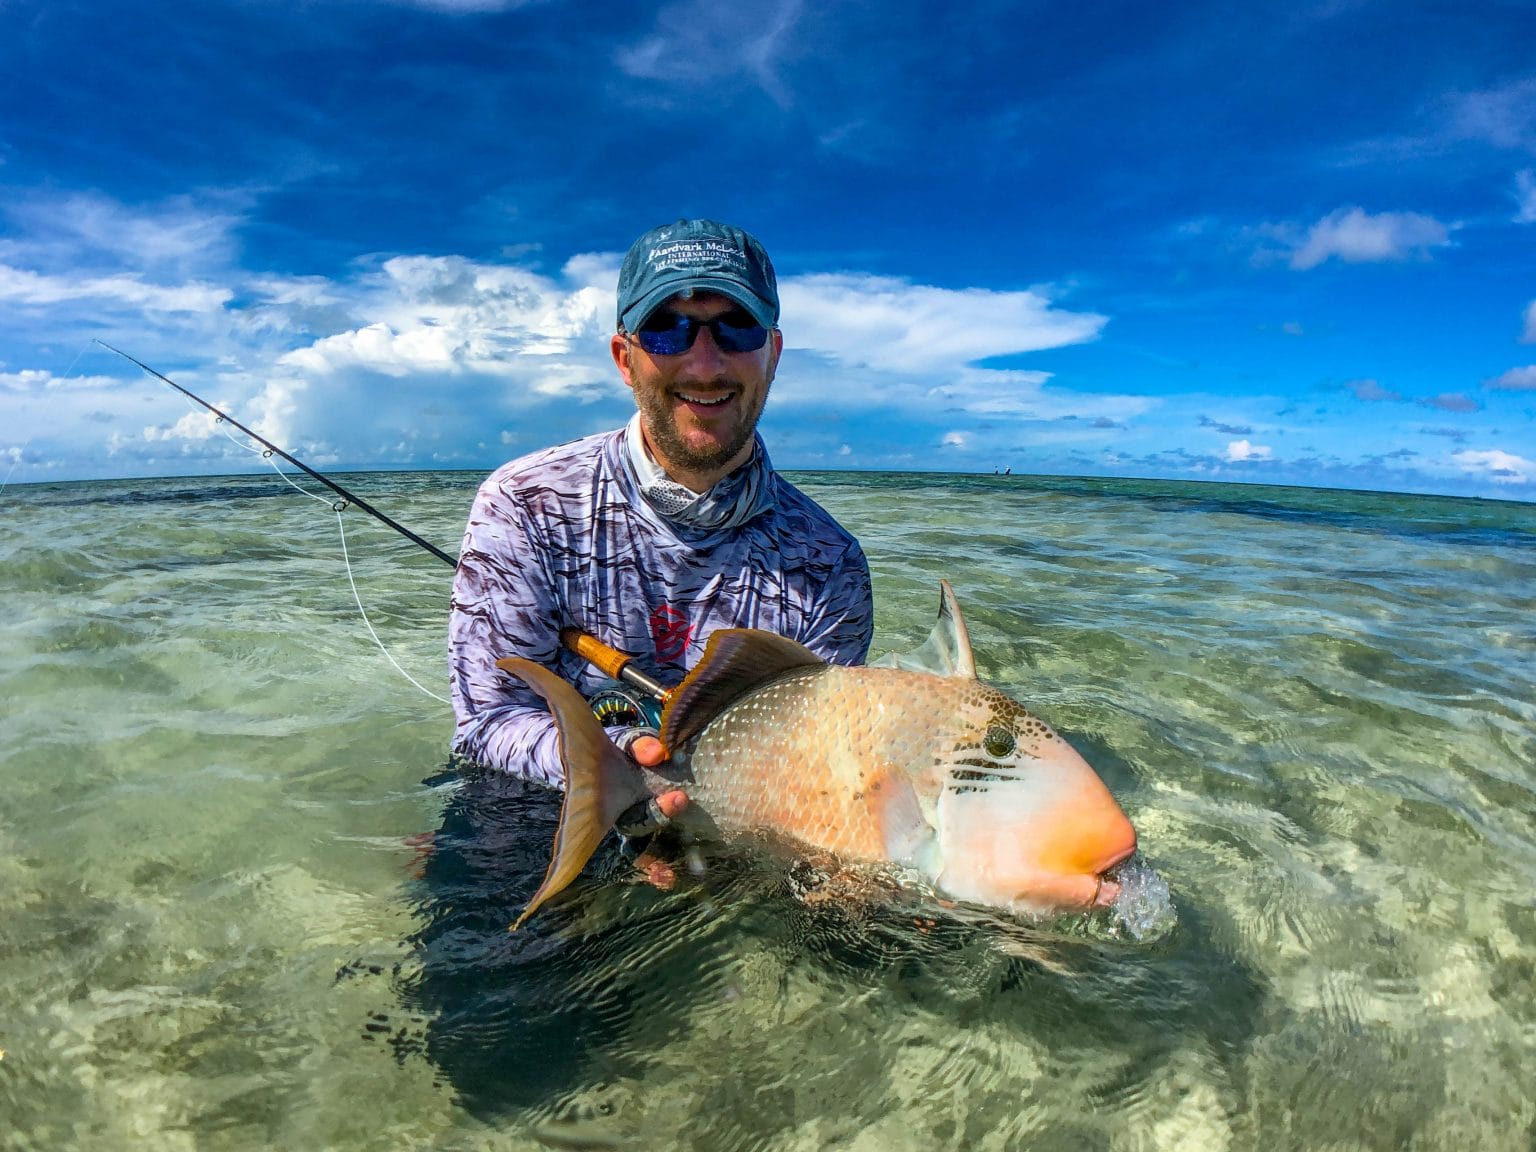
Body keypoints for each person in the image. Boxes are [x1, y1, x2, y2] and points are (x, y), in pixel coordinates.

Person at [448, 218, 874, 803]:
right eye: (668, 330)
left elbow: (823, 760)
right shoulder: (525, 503)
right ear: (626, 358)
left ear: (772, 354)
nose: (704, 365)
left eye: (737, 328)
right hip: (539, 806)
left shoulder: (831, 563)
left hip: (738, 828)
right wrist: (620, 763)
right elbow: (488, 724)